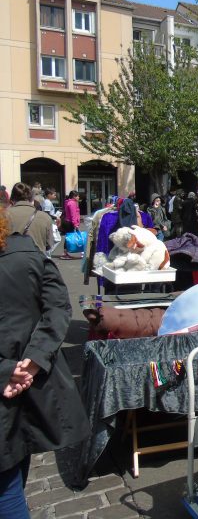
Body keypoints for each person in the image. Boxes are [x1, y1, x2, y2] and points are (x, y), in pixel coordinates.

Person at [0, 207, 90, 517]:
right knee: (12, 477)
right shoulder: (27, 254)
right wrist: (33, 361)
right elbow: (58, 305)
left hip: (15, 386)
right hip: (25, 383)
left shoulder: (23, 253)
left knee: (9, 486)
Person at [6, 183, 53, 255]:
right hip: (36, 262)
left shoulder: (4, 215)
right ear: (31, 199)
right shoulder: (45, 217)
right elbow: (49, 245)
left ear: (12, 199)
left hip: (9, 262)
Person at [60, 191, 82, 259]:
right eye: (77, 196)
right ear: (74, 196)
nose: (78, 197)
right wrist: (75, 224)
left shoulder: (69, 202)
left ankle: (65, 253)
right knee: (70, 238)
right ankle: (65, 253)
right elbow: (73, 215)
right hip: (70, 223)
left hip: (69, 222)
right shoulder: (72, 203)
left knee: (68, 237)